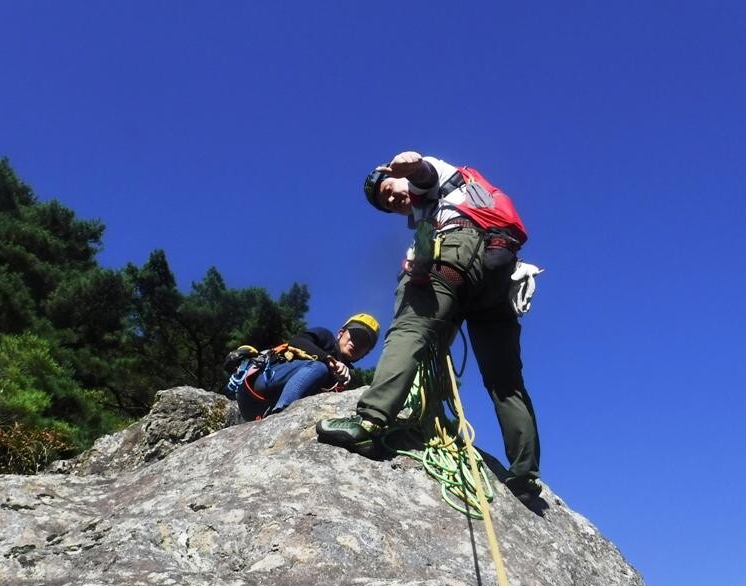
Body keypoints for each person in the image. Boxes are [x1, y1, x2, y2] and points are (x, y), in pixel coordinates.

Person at [316, 151, 544, 501]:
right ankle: (525, 474)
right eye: (387, 203)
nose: (392, 199)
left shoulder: (433, 179)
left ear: (396, 175)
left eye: (389, 189)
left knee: (410, 328)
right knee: (505, 380)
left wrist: (410, 166)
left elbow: (422, 174)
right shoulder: (433, 214)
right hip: (497, 272)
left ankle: (370, 421)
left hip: (459, 250)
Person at [227, 313, 380, 421]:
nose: (357, 343)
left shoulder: (344, 378)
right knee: (319, 368)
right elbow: (297, 342)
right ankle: (281, 416)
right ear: (340, 333)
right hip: (261, 383)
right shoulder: (325, 339)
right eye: (355, 336)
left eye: (364, 343)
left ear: (365, 354)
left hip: (257, 409)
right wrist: (328, 359)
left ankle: (277, 413)